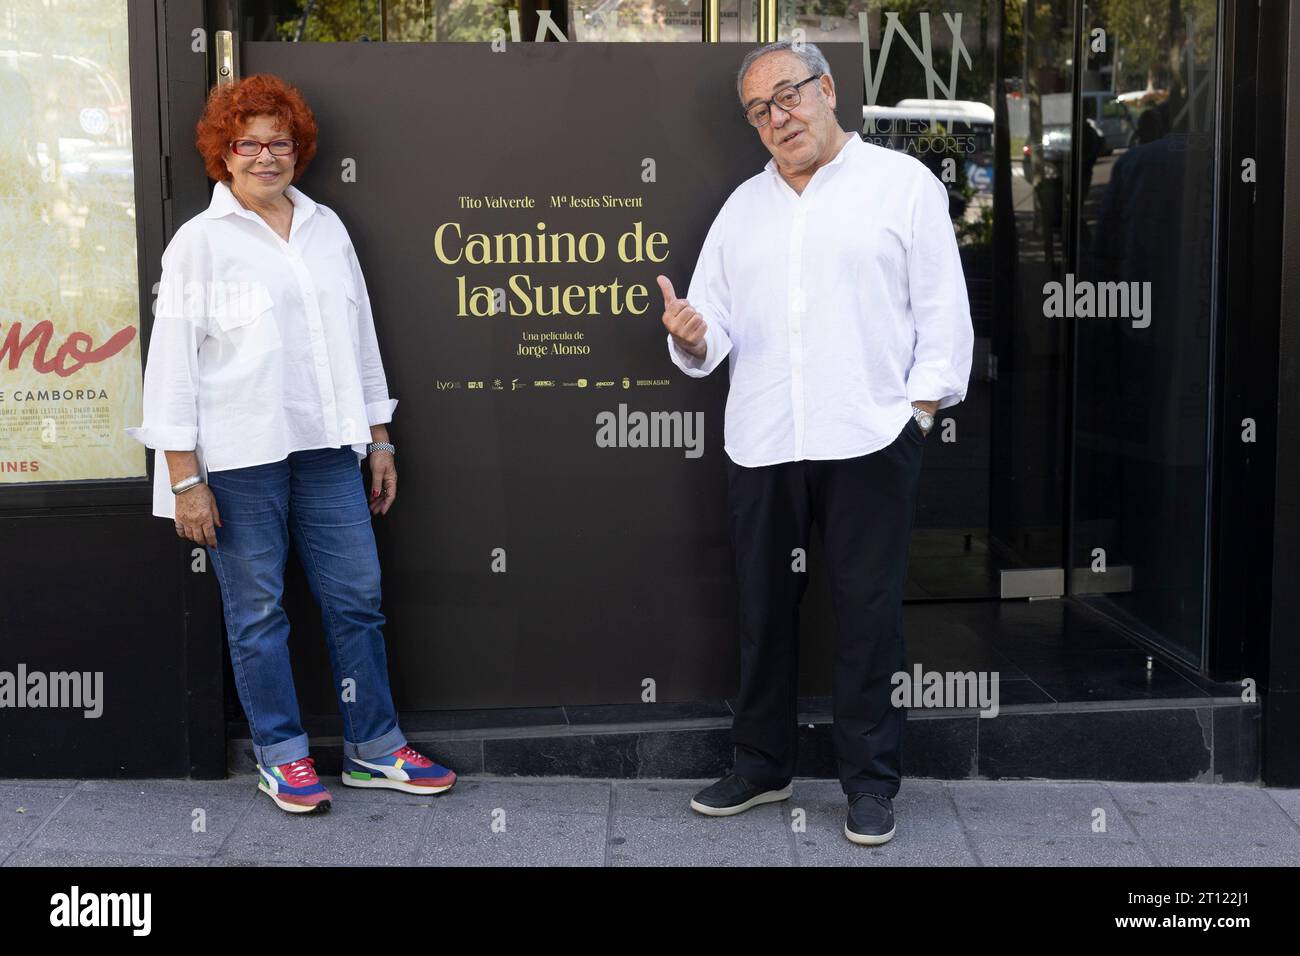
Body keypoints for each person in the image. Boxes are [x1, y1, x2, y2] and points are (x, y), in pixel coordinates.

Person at [659, 41, 972, 845]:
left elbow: (943, 313)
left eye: (789, 96)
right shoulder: (741, 208)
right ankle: (762, 764)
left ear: (828, 89)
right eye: (760, 110)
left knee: (868, 617)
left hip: (869, 436)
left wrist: (921, 412)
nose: (777, 118)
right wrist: (692, 334)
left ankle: (869, 783)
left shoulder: (901, 187)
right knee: (764, 614)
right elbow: (711, 332)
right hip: (763, 442)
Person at [125, 74, 455, 815]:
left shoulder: (325, 228)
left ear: (297, 151)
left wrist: (379, 437)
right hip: (239, 461)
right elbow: (172, 365)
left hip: (328, 451)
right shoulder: (199, 244)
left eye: (281, 143)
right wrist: (184, 479)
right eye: (250, 143)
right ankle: (283, 756)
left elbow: (358, 335)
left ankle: (375, 748)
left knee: (358, 600)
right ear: (224, 151)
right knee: (259, 613)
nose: (266, 156)